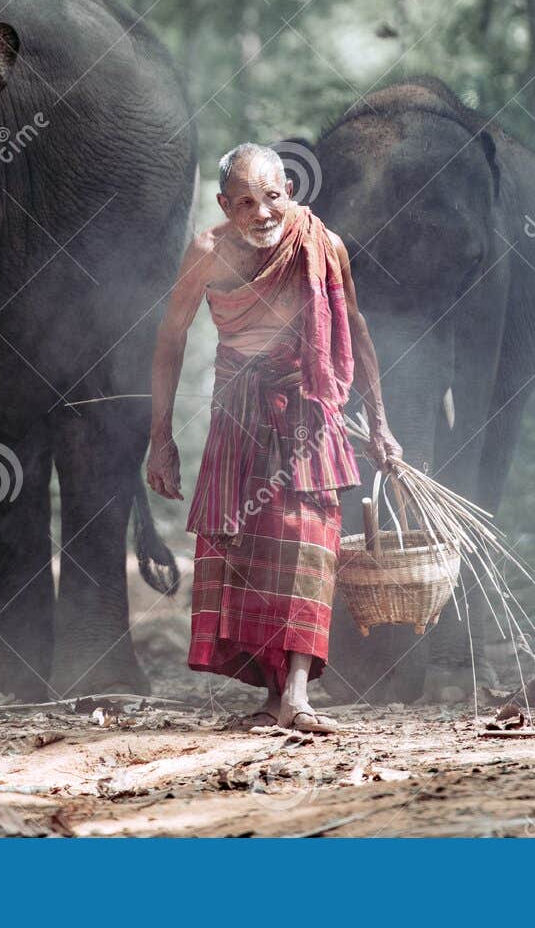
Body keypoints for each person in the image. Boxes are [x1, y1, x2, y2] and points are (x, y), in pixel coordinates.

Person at [146, 142, 404, 733]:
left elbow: (355, 328)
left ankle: (297, 695)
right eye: (245, 203)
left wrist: (381, 420)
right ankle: (270, 695)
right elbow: (170, 336)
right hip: (238, 409)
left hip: (310, 409)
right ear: (223, 206)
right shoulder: (206, 253)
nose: (262, 213)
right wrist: (160, 437)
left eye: (272, 197)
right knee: (249, 549)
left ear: (289, 191)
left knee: (309, 538)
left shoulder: (322, 245)